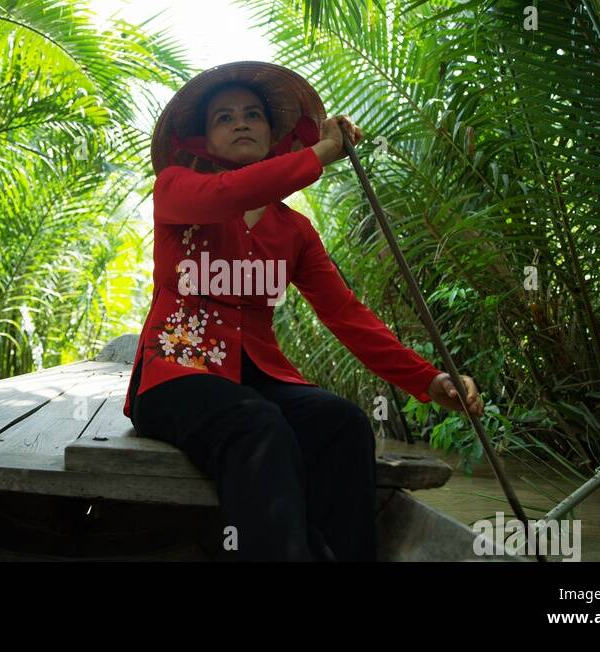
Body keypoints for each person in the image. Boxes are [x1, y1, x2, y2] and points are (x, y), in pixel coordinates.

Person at [122, 61, 482, 561]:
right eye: (224, 118)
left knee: (343, 422)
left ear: (274, 135)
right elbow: (231, 192)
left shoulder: (294, 232)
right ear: (205, 141)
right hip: (177, 374)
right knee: (257, 424)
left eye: (253, 114)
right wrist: (320, 153)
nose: (241, 122)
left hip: (260, 377)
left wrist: (430, 380)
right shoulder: (179, 190)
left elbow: (349, 317)